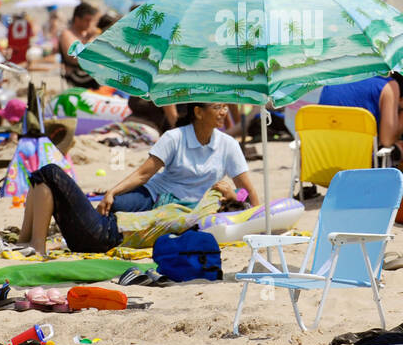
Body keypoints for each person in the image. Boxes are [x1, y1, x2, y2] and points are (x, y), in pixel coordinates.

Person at [16, 101, 260, 254]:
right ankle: (27, 240)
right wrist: (112, 191)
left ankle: (34, 241)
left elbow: (246, 191)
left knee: (51, 177)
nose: (224, 112)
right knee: (114, 206)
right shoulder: (176, 137)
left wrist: (242, 203)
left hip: (181, 207)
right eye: (218, 107)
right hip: (154, 194)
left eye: (225, 106)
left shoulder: (227, 145)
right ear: (198, 112)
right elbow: (144, 173)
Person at [319, 72, 403, 184]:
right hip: (365, 169)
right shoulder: (386, 85)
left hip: (325, 167)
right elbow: (387, 140)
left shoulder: (330, 84)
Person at [60, 2, 101, 89]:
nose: (90, 24)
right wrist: (87, 40)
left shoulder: (87, 33)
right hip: (76, 74)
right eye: (87, 20)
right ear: (77, 19)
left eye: (92, 21)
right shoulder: (67, 34)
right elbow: (73, 58)